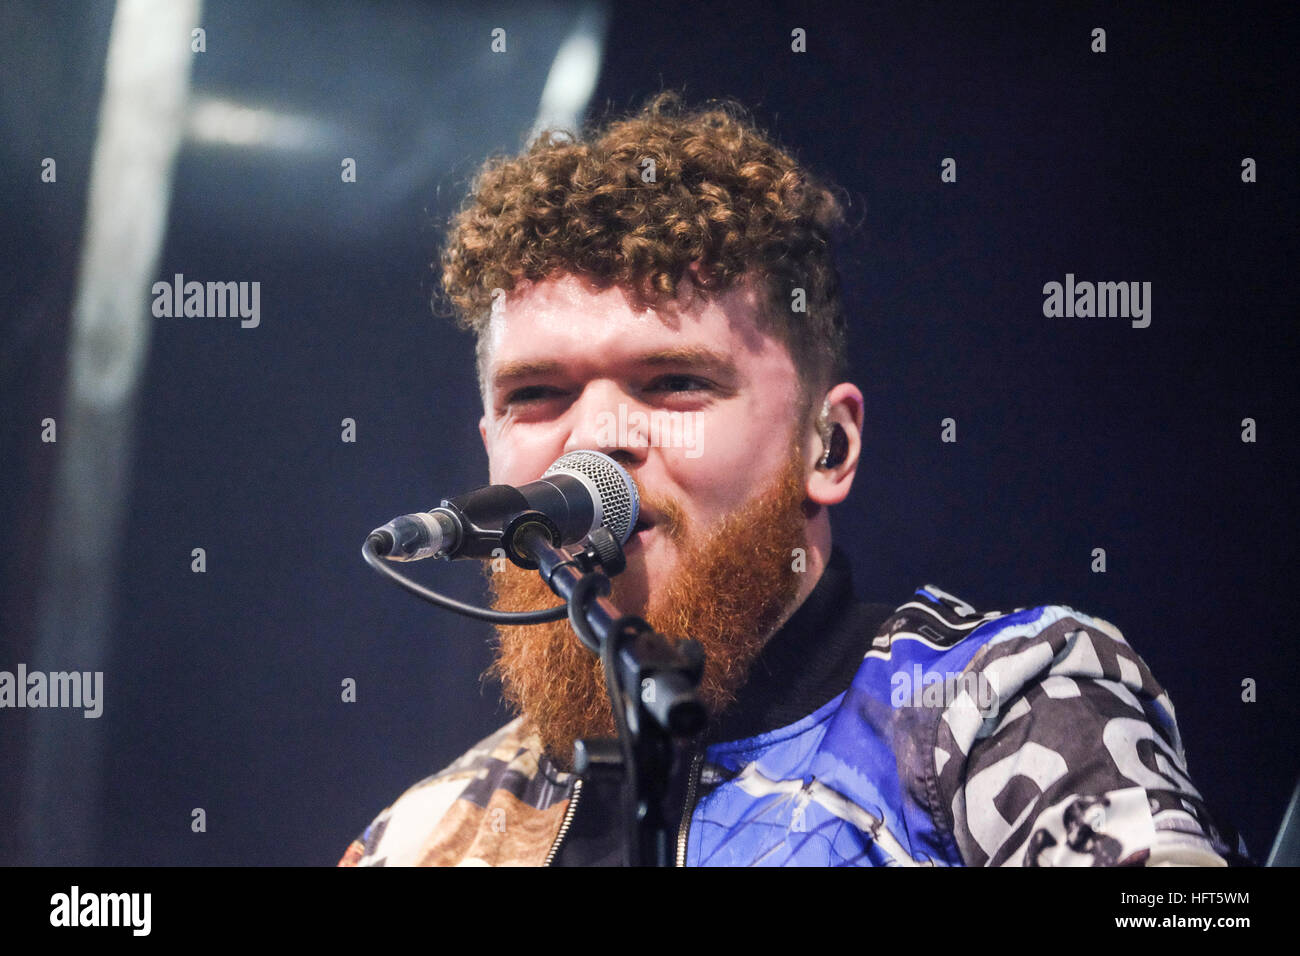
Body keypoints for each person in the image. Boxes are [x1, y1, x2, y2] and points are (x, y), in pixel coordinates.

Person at [338, 92, 1248, 867]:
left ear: (830, 445)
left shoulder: (998, 706)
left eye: (675, 383)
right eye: (537, 395)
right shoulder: (426, 833)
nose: (595, 443)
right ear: (490, 442)